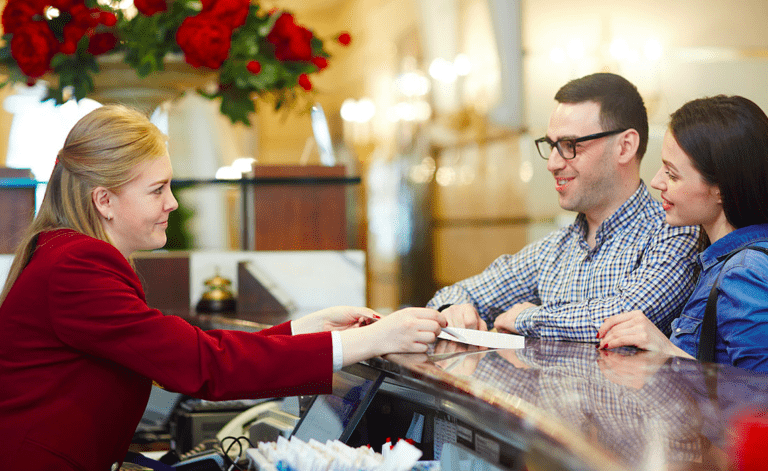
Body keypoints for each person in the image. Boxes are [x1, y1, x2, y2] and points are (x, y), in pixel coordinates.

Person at [0, 105, 446, 471]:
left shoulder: (66, 251)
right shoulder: (77, 265)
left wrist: (306, 330)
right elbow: (204, 364)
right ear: (105, 201)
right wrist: (368, 340)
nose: (172, 202)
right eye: (157, 190)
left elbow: (192, 352)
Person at [427, 72, 700, 341]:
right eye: (551, 145)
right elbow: (456, 294)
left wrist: (527, 318)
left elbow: (624, 317)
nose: (552, 163)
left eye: (570, 145)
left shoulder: (674, 232)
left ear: (625, 146)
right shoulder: (554, 249)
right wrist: (453, 310)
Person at [597, 95, 768, 373]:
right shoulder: (724, 262)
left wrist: (668, 353)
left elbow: (759, 401)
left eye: (672, 175)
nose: (656, 182)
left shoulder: (744, 273)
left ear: (721, 189)